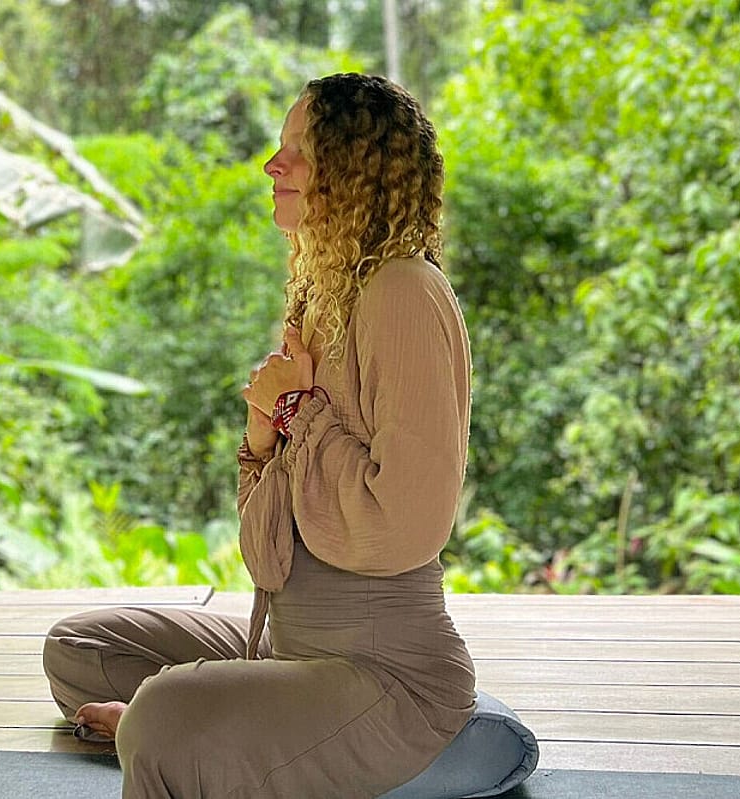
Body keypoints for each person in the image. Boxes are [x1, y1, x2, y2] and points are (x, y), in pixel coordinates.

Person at [43, 72, 476, 798]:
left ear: (356, 169)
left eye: (298, 151)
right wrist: (263, 426)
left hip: (392, 681)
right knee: (79, 649)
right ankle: (233, 715)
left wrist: (298, 411)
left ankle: (186, 727)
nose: (273, 167)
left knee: (160, 715)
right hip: (290, 644)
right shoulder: (324, 295)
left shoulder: (402, 291)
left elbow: (404, 528)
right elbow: (264, 542)